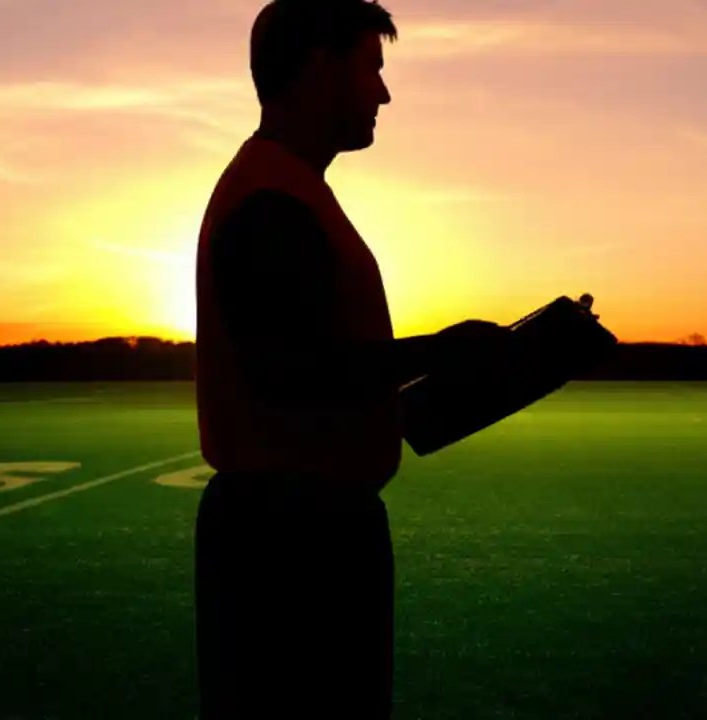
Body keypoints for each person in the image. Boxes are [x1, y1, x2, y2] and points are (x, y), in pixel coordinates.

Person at [192, 1, 508, 716]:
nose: (383, 93)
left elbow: (310, 367)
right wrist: (446, 351)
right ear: (316, 66)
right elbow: (295, 373)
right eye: (371, 67)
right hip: (293, 546)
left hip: (297, 530)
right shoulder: (272, 199)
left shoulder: (285, 188)